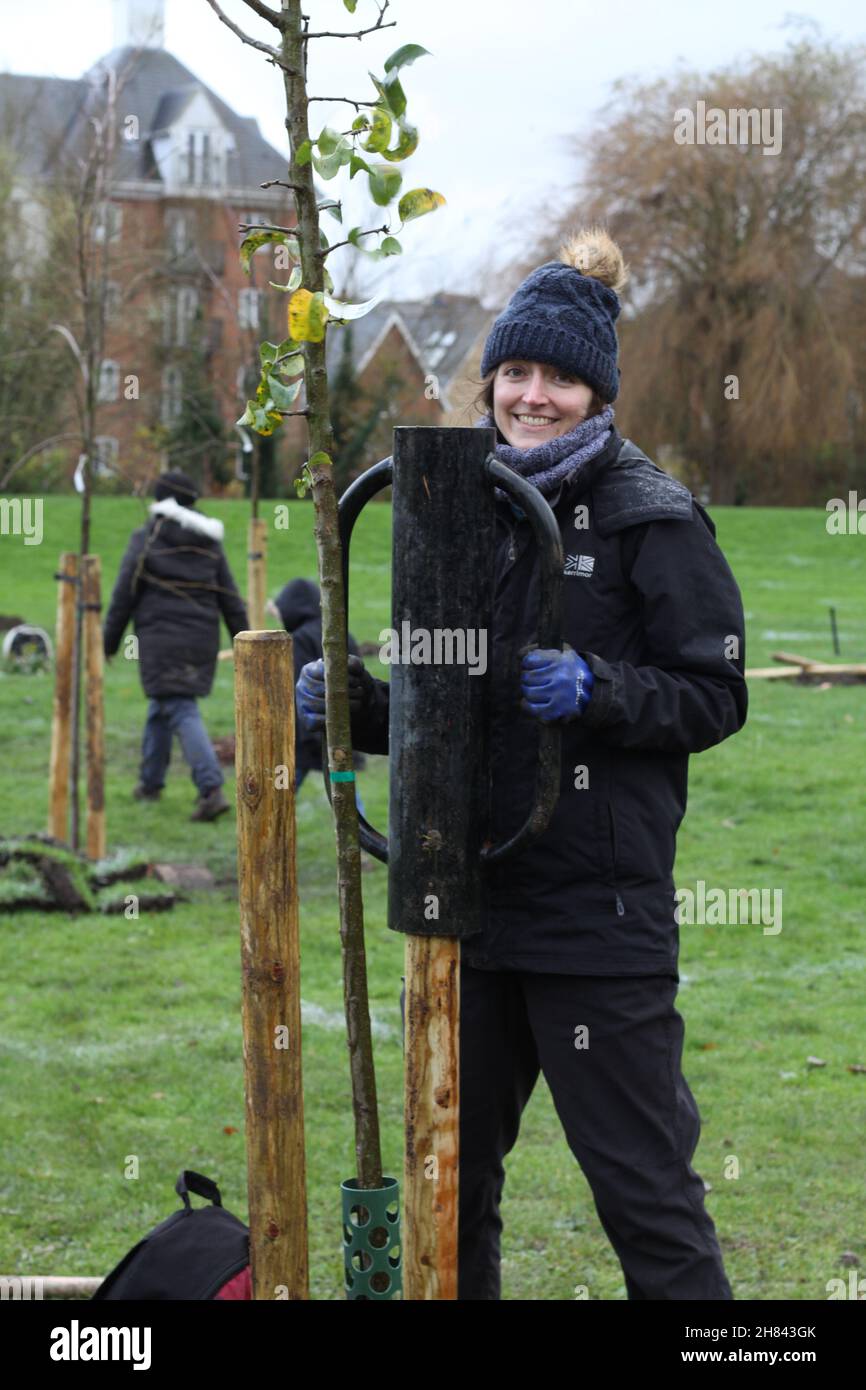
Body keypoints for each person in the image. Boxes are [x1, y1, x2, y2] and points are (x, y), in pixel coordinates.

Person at [296, 226, 748, 1300]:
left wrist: (598, 688)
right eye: (515, 372)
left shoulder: (650, 517)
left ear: (595, 393)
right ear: (491, 377)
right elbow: (441, 701)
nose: (531, 396)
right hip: (466, 901)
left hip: (595, 918)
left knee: (643, 1196)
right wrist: (351, 707)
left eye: (557, 378)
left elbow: (715, 691)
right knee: (451, 1190)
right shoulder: (458, 505)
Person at [103, 470, 248, 822]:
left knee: (179, 706)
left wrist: (108, 641)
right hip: (200, 640)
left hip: (160, 641)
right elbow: (229, 596)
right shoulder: (209, 544)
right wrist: (245, 640)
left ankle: (211, 789)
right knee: (163, 705)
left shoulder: (148, 539)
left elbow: (125, 591)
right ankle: (150, 783)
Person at [268, 577, 367, 813]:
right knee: (345, 790)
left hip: (308, 733)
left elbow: (298, 688)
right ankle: (362, 840)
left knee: (282, 790)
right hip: (340, 728)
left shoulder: (300, 639)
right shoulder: (337, 632)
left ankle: (270, 833)